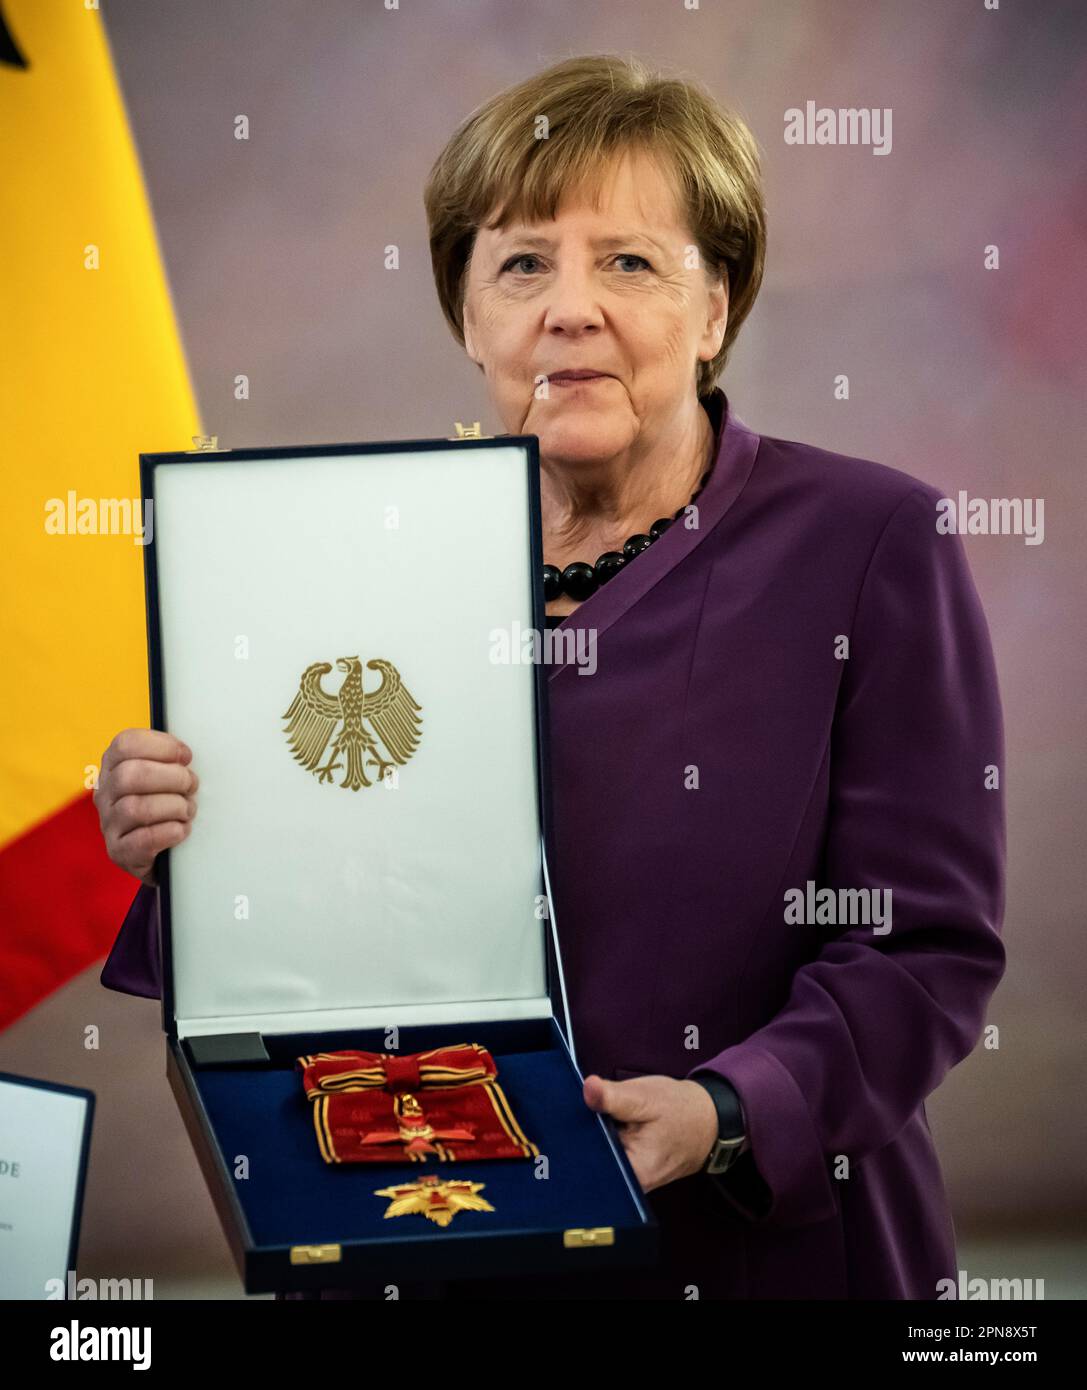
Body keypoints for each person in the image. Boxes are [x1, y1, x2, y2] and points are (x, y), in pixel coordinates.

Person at [96, 54, 1006, 1299]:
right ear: (468, 317)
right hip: (427, 1226)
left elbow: (926, 948)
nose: (568, 308)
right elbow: (313, 917)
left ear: (717, 305)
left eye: (628, 261)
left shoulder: (868, 540)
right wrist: (192, 838)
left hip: (760, 1249)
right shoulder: (350, 561)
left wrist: (727, 1108)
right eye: (522, 263)